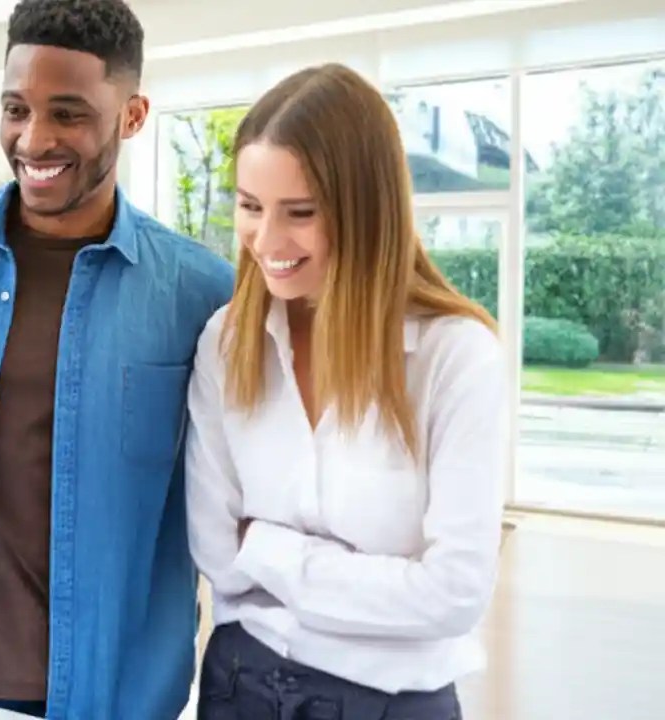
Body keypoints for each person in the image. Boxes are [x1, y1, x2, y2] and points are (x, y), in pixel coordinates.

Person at [0, 0, 236, 717]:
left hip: (119, 692)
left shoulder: (203, 292)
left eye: (68, 113)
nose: (34, 139)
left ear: (132, 115)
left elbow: (222, 495)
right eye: (15, 109)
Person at [185, 63, 506, 719]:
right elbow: (217, 548)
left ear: (366, 209)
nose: (267, 242)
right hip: (241, 685)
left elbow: (453, 593)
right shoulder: (227, 339)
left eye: (299, 213)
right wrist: (367, 578)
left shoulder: (455, 356)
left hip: (393, 703)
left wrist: (269, 547)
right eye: (250, 207)